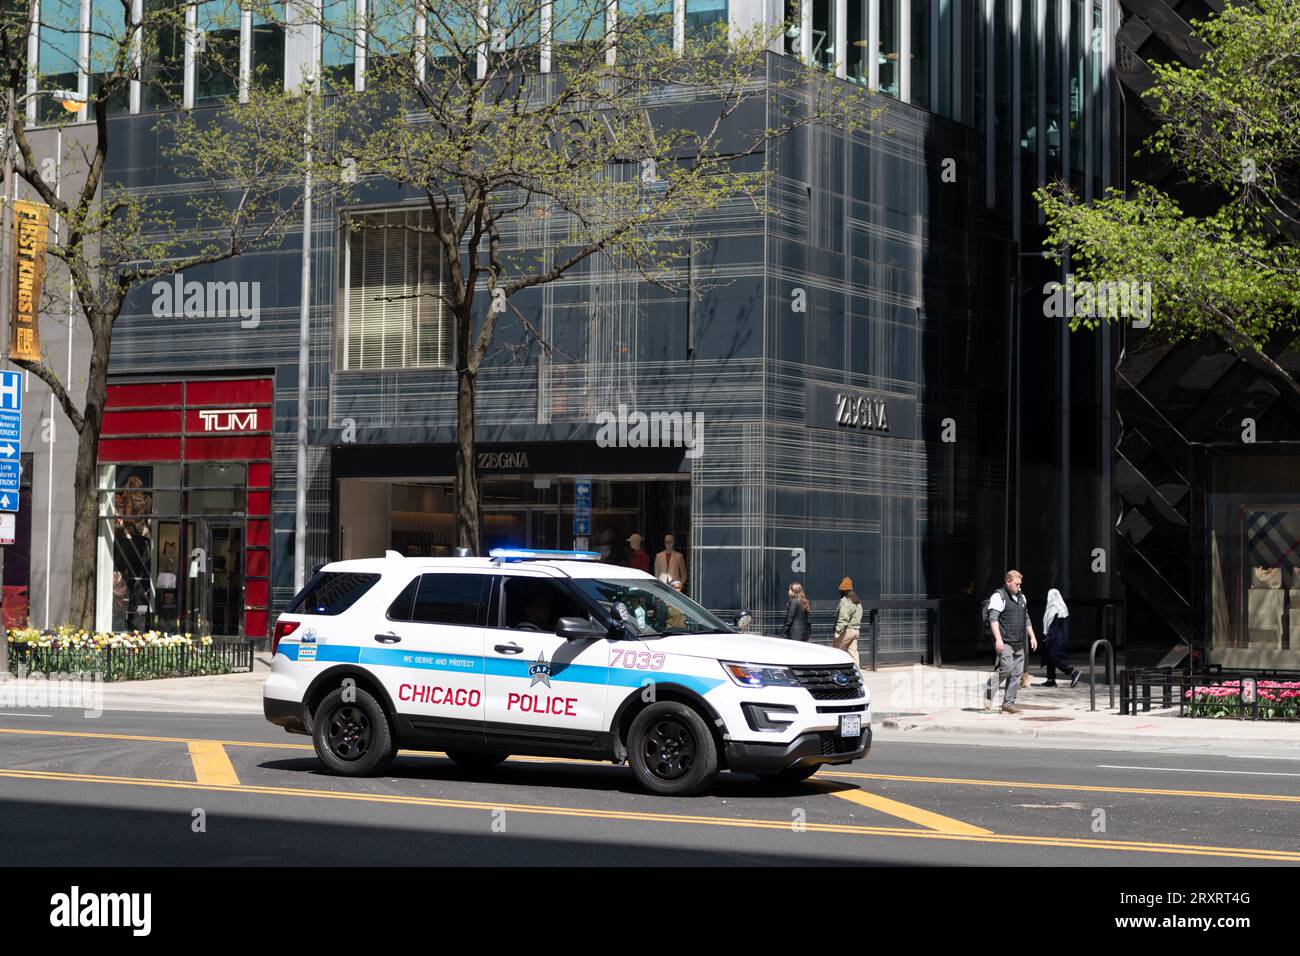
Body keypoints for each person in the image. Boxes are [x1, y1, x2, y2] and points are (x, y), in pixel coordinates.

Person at [984, 569, 1038, 714]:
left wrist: (1032, 636)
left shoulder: (1022, 598)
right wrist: (998, 640)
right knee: (1006, 668)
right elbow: (993, 619)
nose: (1019, 587)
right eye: (1016, 584)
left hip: (1019, 642)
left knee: (1017, 674)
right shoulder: (998, 596)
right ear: (1008, 582)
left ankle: (1008, 704)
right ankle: (990, 687)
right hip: (1005, 641)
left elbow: (1026, 618)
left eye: (1020, 584)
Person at [1040, 588, 1081, 687]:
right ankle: (1051, 680)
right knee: (1050, 658)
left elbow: (1052, 625)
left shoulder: (1053, 608)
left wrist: (1048, 637)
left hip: (1054, 639)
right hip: (1060, 638)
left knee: (1056, 658)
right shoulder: (1062, 607)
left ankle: (1072, 672)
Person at [833, 578, 863, 666]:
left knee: (835, 651)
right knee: (853, 653)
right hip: (856, 631)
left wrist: (838, 631)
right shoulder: (857, 601)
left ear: (842, 591)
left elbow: (843, 618)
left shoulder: (845, 601)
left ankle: (835, 670)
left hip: (847, 631)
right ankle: (857, 671)